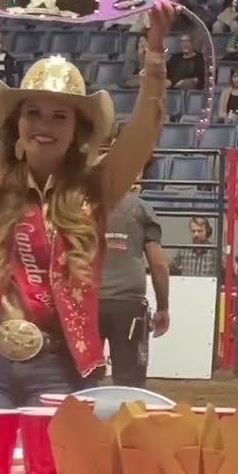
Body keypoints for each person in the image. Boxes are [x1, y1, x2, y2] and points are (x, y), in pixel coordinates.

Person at [0, 0, 175, 408]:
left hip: (61, 363)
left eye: (58, 117)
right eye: (33, 113)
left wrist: (154, 53)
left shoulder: (97, 190)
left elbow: (143, 132)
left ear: (77, 132)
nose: (43, 126)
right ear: (17, 124)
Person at [98, 161, 171, 389]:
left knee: (80, 379)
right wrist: (163, 307)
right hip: (128, 304)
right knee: (129, 381)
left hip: (86, 304)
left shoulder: (79, 207)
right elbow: (158, 264)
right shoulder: (141, 209)